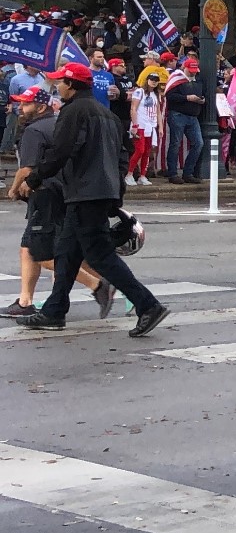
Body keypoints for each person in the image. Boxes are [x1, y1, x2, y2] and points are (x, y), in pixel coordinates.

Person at [9, 63, 168, 336]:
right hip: (98, 191)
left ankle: (148, 305)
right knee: (66, 253)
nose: (57, 86)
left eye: (61, 82)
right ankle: (54, 311)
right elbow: (123, 154)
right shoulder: (107, 114)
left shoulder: (74, 112)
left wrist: (33, 179)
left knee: (100, 255)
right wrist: (115, 190)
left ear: (71, 85)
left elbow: (61, 151)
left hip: (84, 192)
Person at [6, 88, 110, 319]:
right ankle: (25, 301)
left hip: (45, 195)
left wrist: (14, 189)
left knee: (42, 252)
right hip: (68, 192)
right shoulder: (59, 124)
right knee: (31, 248)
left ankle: (98, 286)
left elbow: (27, 168)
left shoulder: (33, 130)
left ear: (41, 107)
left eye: (25, 104)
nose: (19, 109)